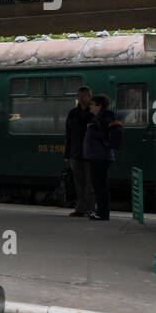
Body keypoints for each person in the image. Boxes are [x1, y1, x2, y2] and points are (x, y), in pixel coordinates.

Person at [82, 93, 122, 221]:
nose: (90, 107)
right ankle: (101, 212)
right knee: (99, 185)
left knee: (100, 186)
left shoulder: (103, 118)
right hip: (98, 155)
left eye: (92, 105)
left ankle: (102, 213)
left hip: (100, 156)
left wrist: (94, 130)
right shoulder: (99, 118)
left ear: (99, 106)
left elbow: (106, 134)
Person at [64, 85, 93, 216]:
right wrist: (67, 154)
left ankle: (90, 208)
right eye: (79, 96)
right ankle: (80, 208)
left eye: (84, 96)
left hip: (90, 153)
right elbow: (68, 135)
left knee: (90, 183)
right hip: (76, 152)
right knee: (78, 183)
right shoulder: (72, 113)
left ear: (89, 96)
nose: (81, 98)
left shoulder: (93, 113)